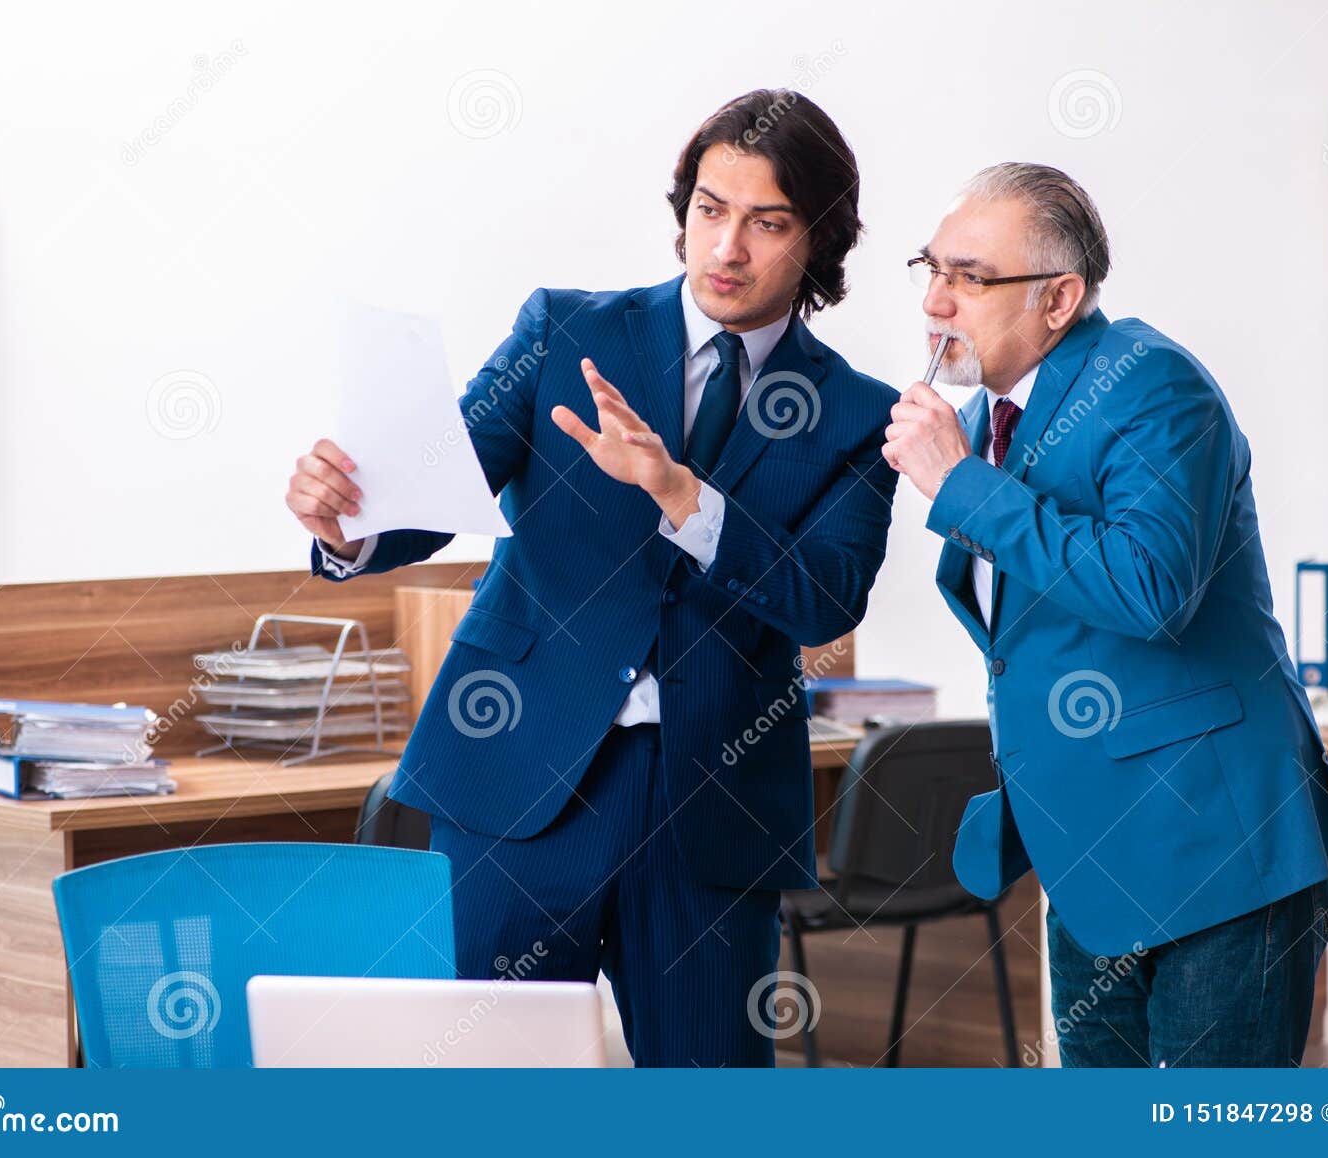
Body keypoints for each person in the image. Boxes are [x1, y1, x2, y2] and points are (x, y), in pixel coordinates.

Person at [285, 89, 898, 1066]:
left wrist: (683, 495)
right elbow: (436, 485)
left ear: (819, 239)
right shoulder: (563, 329)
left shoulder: (858, 415)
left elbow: (825, 596)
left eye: (766, 222)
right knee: (492, 1096)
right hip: (523, 776)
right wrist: (345, 522)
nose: (726, 248)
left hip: (714, 805)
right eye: (709, 209)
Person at [883, 161, 1328, 1067]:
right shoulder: (998, 416)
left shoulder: (1152, 387)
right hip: (1094, 856)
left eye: (970, 277)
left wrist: (962, 486)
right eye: (931, 270)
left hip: (1216, 845)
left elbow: (1149, 588)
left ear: (1059, 299)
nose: (938, 302)